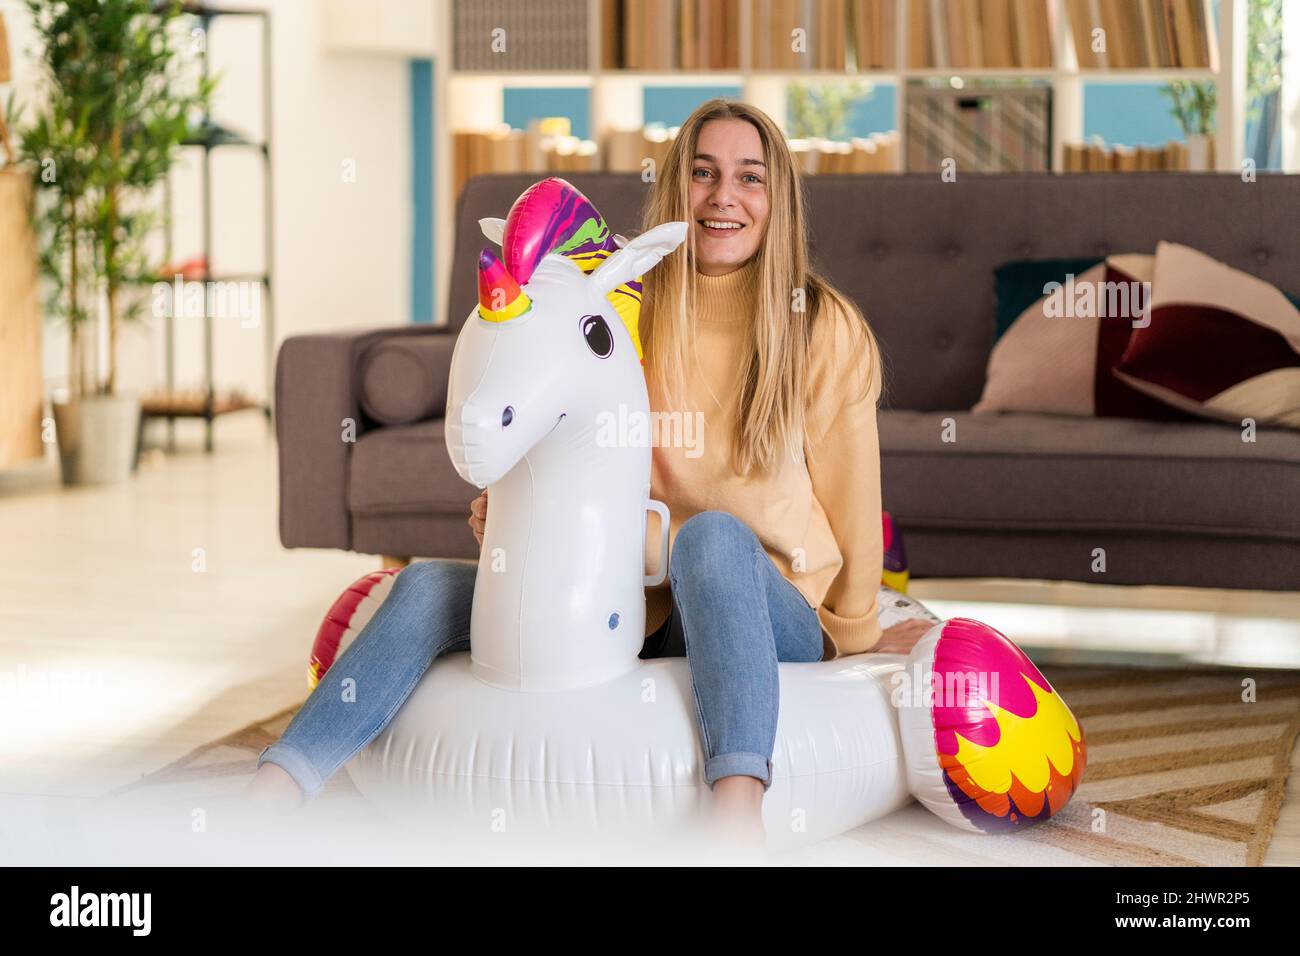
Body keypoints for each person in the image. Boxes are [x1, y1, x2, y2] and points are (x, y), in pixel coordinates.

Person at [244, 99, 931, 847]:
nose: (723, 196)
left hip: (766, 599)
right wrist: (515, 512)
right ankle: (277, 785)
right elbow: (568, 432)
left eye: (748, 178)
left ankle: (736, 809)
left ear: (779, 199)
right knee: (426, 585)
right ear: (677, 187)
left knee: (712, 542)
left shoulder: (821, 325)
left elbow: (855, 494)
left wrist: (859, 627)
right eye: (703, 173)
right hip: (628, 596)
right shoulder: (622, 304)